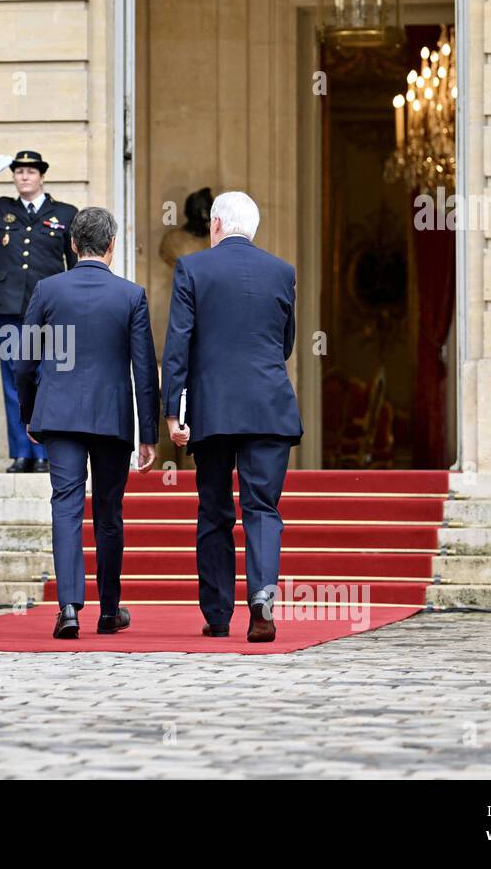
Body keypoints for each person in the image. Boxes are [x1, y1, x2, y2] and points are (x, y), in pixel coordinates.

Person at [161, 191, 302, 643]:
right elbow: (285, 344)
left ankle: (218, 613)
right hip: (268, 406)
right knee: (262, 507)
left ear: (216, 224)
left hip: (214, 408)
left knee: (215, 511)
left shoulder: (194, 268)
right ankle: (262, 597)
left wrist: (172, 411)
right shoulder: (282, 272)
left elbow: (178, 344)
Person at [15, 206, 159, 640]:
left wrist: (29, 412)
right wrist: (148, 434)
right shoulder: (131, 295)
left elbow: (24, 363)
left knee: (66, 506)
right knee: (109, 513)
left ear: (73, 244)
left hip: (59, 414)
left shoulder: (47, 289)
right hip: (112, 417)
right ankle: (110, 609)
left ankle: (68, 608)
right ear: (112, 245)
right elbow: (144, 369)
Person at [0, 149, 77, 472]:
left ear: (42, 176)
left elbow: (74, 264)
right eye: (18, 171)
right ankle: (22, 452)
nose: (24, 176)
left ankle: (47, 453)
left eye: (31, 171)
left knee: (51, 378)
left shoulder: (65, 213)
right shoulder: (2, 209)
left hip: (51, 309)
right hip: (9, 308)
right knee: (14, 379)